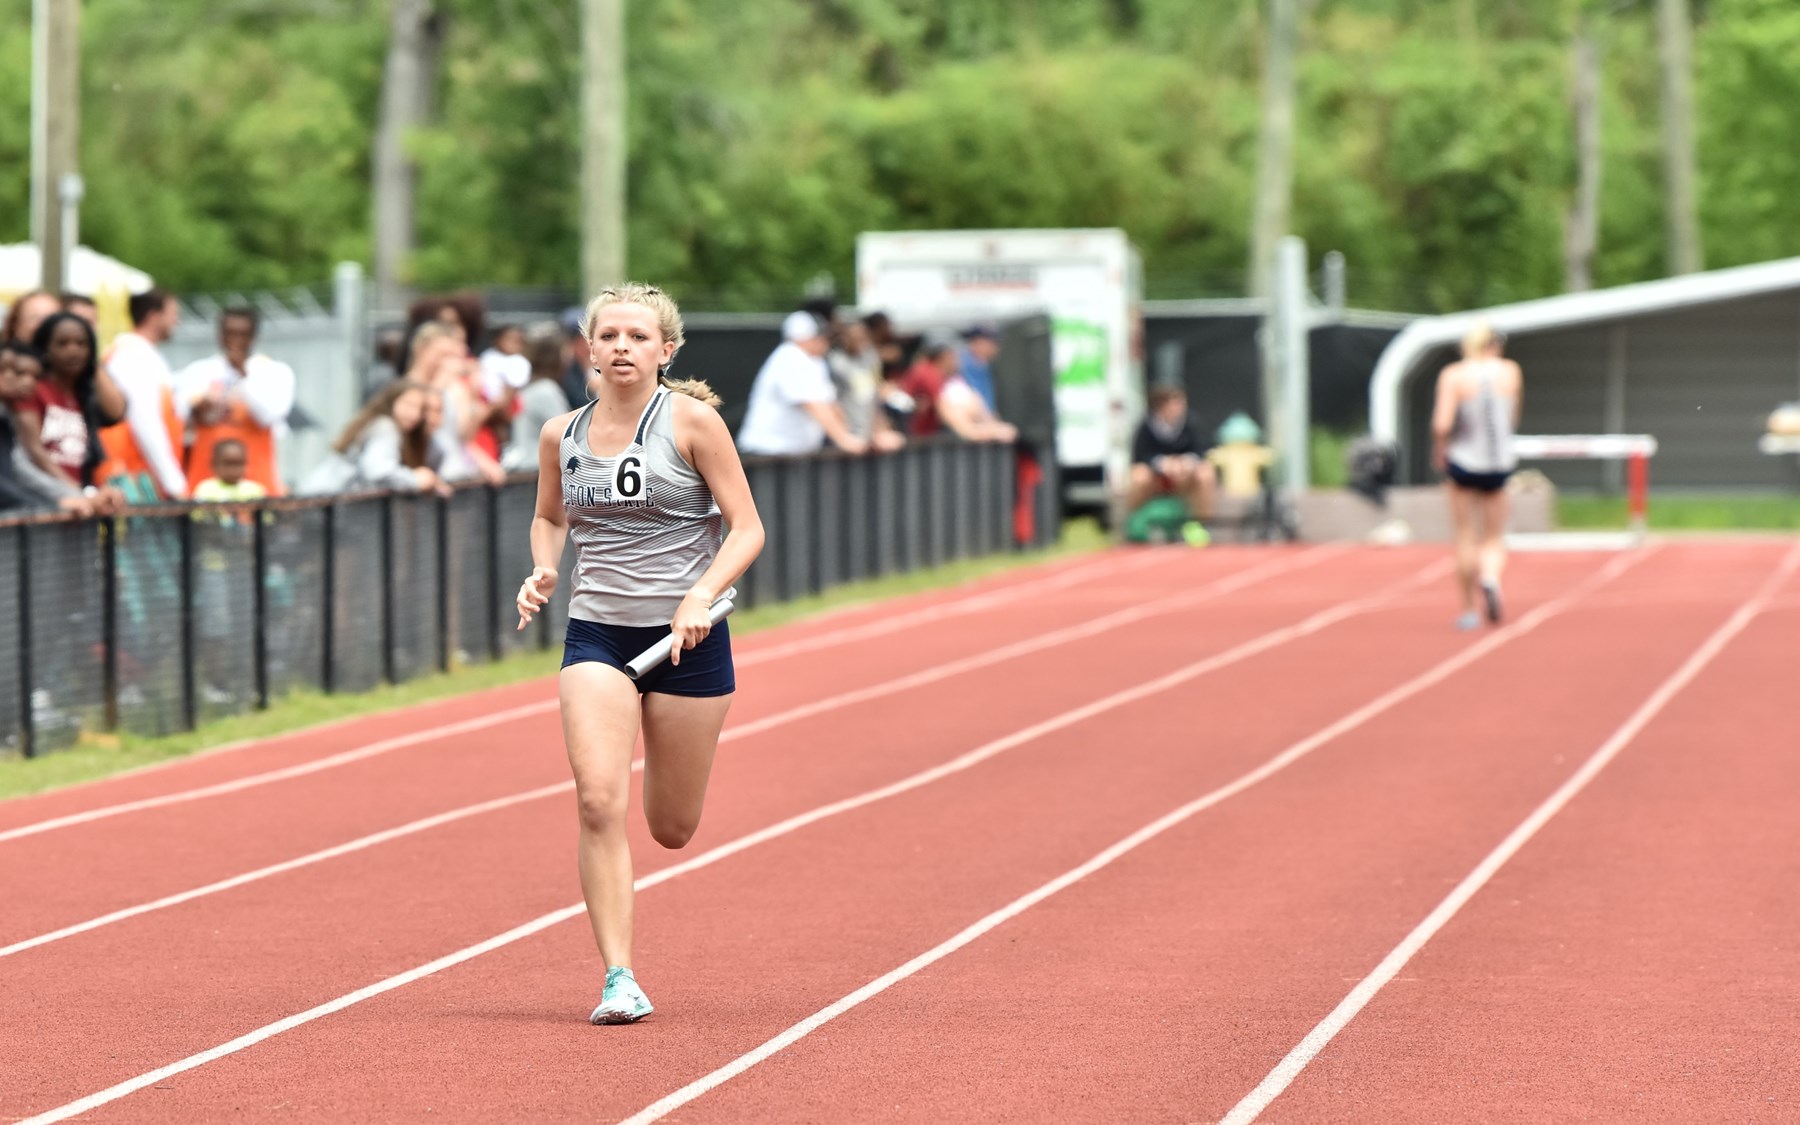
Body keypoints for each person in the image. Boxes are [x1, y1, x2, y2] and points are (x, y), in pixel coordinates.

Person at [514, 283, 763, 1025]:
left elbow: (747, 528)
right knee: (597, 799)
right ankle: (619, 976)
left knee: (672, 827)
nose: (622, 346)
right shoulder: (561, 432)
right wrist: (543, 568)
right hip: (598, 631)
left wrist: (700, 593)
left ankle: (660, 736)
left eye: (637, 336)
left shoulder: (691, 422)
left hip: (688, 638)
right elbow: (546, 515)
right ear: (588, 348)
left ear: (666, 351)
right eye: (610, 335)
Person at [1431, 320, 1521, 630]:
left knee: (1465, 535)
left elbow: (1442, 424)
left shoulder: (1454, 375)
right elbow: (1513, 416)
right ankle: (1491, 576)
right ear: (1494, 344)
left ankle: (1469, 609)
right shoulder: (1510, 372)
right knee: (1494, 538)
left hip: (1463, 461)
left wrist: (1440, 451)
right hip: (1498, 463)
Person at [176, 306, 295, 495]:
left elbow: (270, 416)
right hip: (205, 489)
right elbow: (177, 418)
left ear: (254, 336)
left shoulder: (273, 372)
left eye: (242, 334)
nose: (235, 340)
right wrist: (197, 408)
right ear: (219, 334)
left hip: (256, 488)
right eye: (229, 333)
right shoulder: (198, 372)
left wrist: (243, 374)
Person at [20, 312, 127, 498]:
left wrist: (94, 365)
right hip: (41, 498)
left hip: (77, 500)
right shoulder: (34, 390)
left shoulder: (83, 396)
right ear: (46, 347)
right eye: (62, 343)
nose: (73, 350)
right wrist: (77, 493)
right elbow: (34, 451)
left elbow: (116, 412)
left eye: (81, 343)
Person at [736, 311, 867, 456]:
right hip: (766, 452)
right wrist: (844, 439)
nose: (825, 341)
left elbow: (830, 405)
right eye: (820, 336)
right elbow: (813, 404)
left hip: (790, 455)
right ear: (805, 337)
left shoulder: (815, 362)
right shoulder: (790, 356)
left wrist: (850, 434)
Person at [99, 288, 188, 499]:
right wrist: (175, 485)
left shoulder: (137, 353)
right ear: (153, 316)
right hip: (136, 483)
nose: (177, 321)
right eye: (173, 313)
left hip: (140, 480)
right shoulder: (134, 356)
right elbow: (146, 423)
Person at [298, 379, 452, 496]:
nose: (413, 413)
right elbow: (378, 471)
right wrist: (414, 480)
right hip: (324, 500)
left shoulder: (398, 432)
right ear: (392, 401)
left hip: (327, 501)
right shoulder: (385, 427)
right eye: (408, 404)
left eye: (419, 408)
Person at [0, 342, 94, 515]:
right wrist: (53, 507)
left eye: (36, 377)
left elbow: (21, 470)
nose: (12, 378)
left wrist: (77, 497)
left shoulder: (7, 420)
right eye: (4, 369)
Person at [1128, 385, 1216, 530]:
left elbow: (1203, 449)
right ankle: (1134, 523)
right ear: (1162, 407)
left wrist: (1186, 462)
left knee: (1206, 473)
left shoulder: (1191, 422)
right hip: (1157, 477)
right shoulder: (1147, 425)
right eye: (1175, 403)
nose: (1180, 407)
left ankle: (1203, 523)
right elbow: (1140, 455)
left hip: (1185, 476)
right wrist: (1162, 463)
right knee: (1139, 475)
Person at [896, 340, 1016, 443]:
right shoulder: (926, 372)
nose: (959, 359)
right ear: (943, 356)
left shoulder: (949, 376)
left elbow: (973, 401)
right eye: (955, 355)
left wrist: (991, 425)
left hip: (927, 438)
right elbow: (945, 407)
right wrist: (981, 432)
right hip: (915, 440)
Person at [826, 317, 904, 451]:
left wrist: (881, 429)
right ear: (845, 338)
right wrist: (843, 435)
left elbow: (874, 396)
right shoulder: (836, 363)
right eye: (854, 336)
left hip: (869, 431)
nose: (858, 341)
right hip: (847, 431)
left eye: (862, 337)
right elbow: (832, 404)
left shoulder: (870, 358)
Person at [503, 324, 574, 471]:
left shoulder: (530, 387)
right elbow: (567, 434)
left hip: (525, 465)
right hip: (534, 467)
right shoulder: (545, 390)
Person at [957, 323, 1001, 412]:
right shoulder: (959, 364)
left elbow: (988, 405)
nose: (996, 348)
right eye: (992, 342)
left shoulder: (984, 365)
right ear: (978, 342)